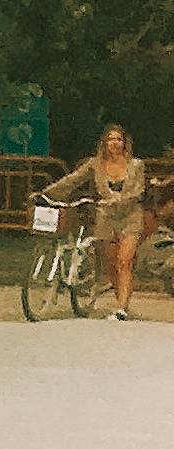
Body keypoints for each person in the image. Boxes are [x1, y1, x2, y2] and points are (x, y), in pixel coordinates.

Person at [39, 123, 160, 318]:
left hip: (130, 216)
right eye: (111, 139)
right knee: (111, 263)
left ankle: (122, 308)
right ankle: (120, 298)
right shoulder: (95, 164)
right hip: (105, 217)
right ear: (104, 142)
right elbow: (73, 179)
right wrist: (46, 193)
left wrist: (119, 199)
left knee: (125, 261)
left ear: (125, 143)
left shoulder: (136, 164)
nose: (115, 143)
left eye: (119, 139)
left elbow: (138, 190)